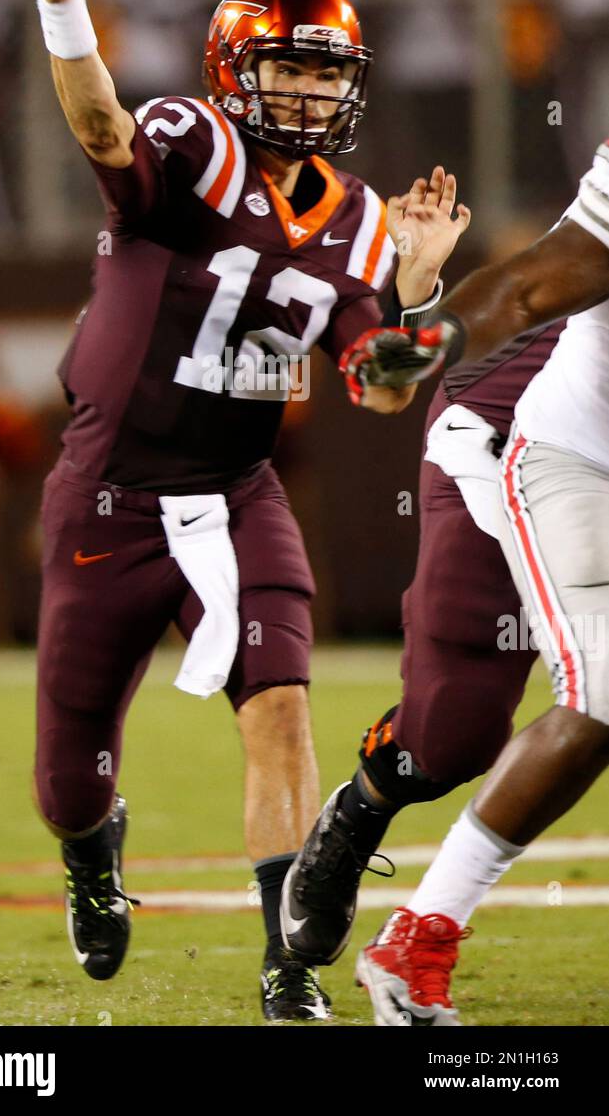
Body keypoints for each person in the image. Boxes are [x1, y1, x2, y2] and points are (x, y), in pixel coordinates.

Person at [28, 0, 468, 1021]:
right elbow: (97, 129)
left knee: (279, 710)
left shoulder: (363, 216)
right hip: (111, 493)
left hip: (234, 494)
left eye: (329, 77)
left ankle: (288, 968)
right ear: (235, 69)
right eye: (291, 71)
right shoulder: (190, 139)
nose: (314, 96)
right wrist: (62, 0)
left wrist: (414, 293)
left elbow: (379, 384)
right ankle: (95, 855)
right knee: (67, 779)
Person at [285, 138, 609, 1024]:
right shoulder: (560, 282)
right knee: (459, 736)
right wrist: (417, 315)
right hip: (507, 442)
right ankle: (364, 815)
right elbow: (519, 294)